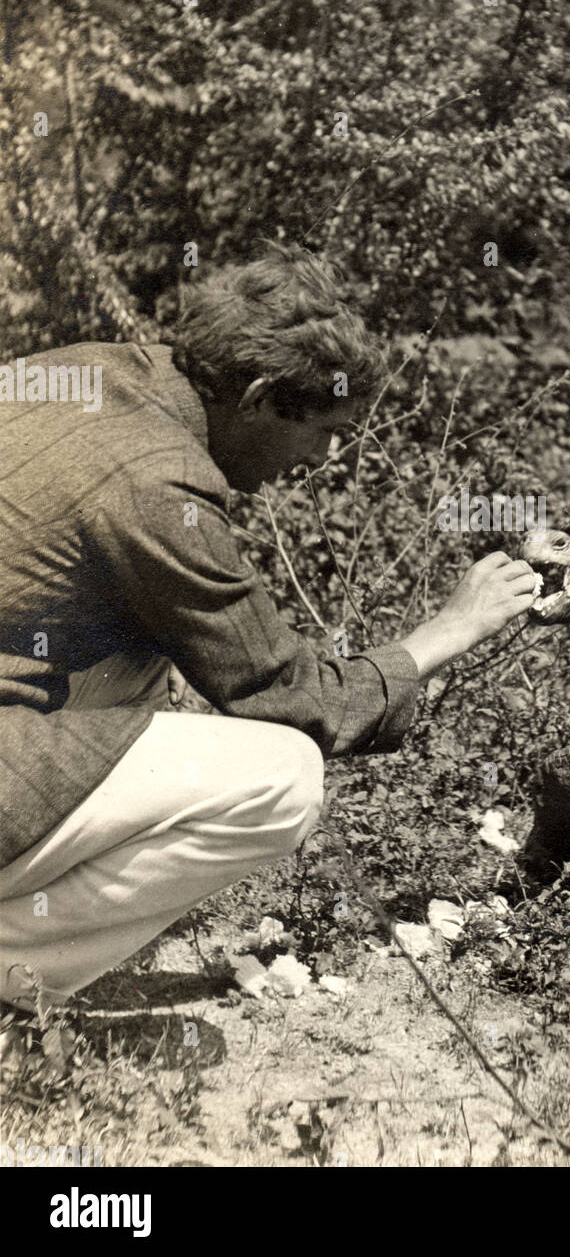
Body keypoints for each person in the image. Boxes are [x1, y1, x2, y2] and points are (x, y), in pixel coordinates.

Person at [0, 242, 537, 1031]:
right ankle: (13, 966)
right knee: (282, 778)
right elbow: (290, 699)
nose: (327, 458)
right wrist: (445, 633)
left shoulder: (85, 368)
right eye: (325, 429)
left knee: (142, 647)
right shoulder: (155, 478)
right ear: (255, 396)